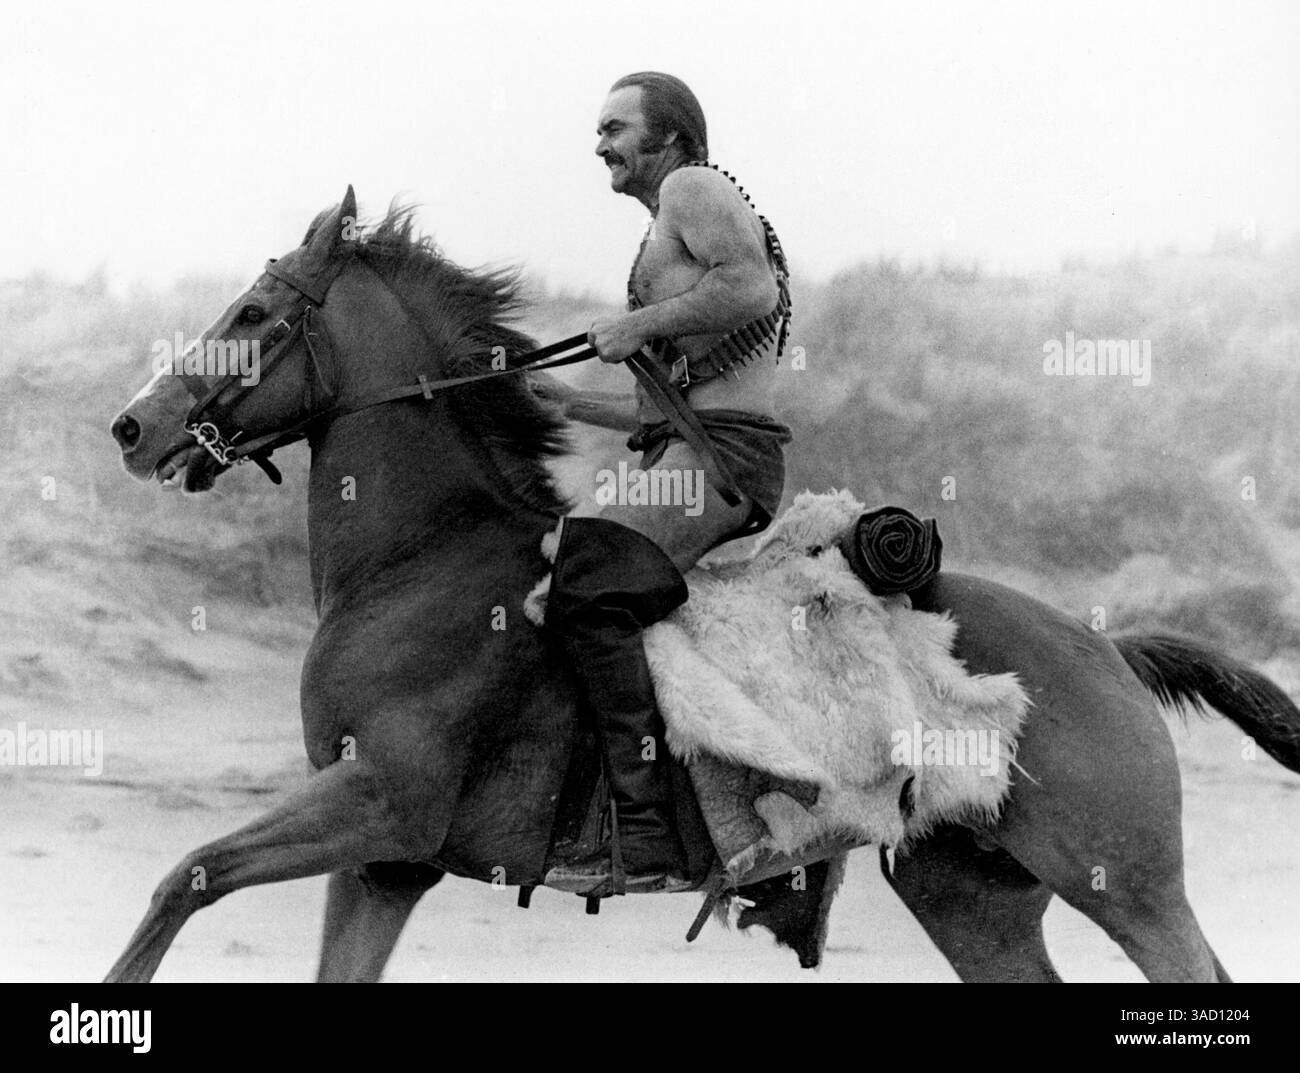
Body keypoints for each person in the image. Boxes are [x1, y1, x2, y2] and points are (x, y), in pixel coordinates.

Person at [533, 72, 793, 894]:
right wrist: (570, 400)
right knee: (556, 554)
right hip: (685, 448)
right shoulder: (665, 229)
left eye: (615, 126)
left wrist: (637, 324)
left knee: (587, 580)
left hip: (723, 457)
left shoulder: (693, 185)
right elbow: (654, 409)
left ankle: (643, 839)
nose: (599, 143)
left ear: (670, 136)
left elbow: (753, 285)